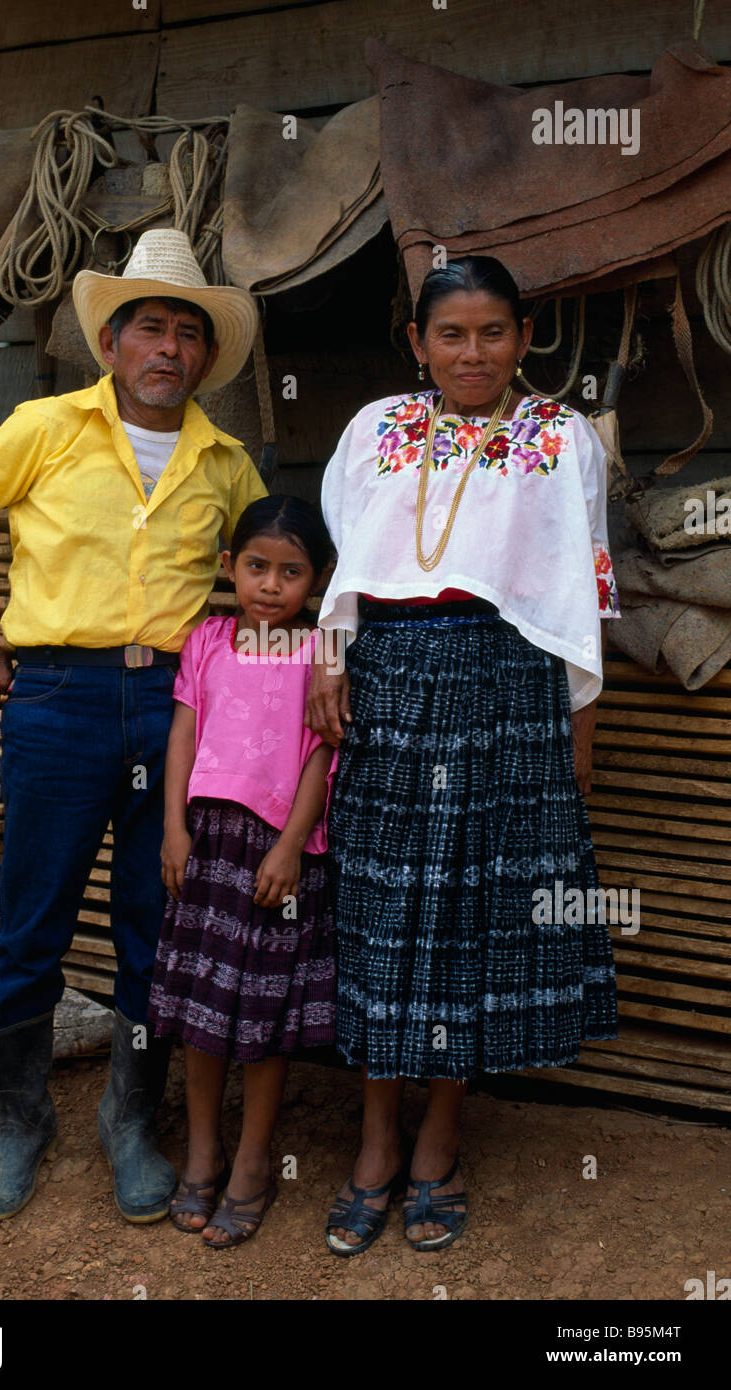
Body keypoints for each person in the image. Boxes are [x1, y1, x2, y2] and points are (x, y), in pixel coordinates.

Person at [0, 228, 267, 1224]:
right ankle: (20, 1124)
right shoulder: (46, 425)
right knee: (34, 917)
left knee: (156, 921)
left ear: (206, 356)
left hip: (173, 710)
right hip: (58, 700)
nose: (168, 349)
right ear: (110, 343)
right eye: (149, 328)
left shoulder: (225, 461)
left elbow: (267, 569)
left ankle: (130, 1121)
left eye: (187, 334)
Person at [305, 255, 621, 1256]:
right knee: (385, 907)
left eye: (492, 333)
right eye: (451, 334)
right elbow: (346, 562)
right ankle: (374, 1140)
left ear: (524, 337)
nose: (472, 352)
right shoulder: (374, 428)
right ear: (418, 342)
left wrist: (578, 732)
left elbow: (587, 587)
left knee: (476, 914)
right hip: (391, 680)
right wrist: (328, 658)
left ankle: (438, 1137)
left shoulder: (562, 436)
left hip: (509, 685)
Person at [149, 494, 337, 1247]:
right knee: (201, 1009)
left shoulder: (323, 652)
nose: (270, 585)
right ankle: (203, 1153)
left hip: (279, 856)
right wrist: (172, 828)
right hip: (207, 844)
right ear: (229, 567)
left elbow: (322, 756)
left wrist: (292, 845)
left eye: (291, 573)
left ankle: (254, 1163)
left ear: (318, 581)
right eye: (257, 566)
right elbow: (183, 733)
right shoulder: (207, 640)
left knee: (265, 1012)